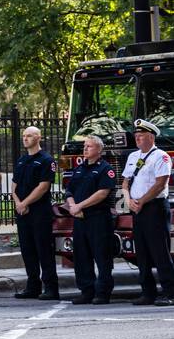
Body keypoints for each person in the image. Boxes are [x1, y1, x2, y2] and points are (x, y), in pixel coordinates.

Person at [123, 119, 174, 307]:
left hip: (154, 208)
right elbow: (125, 182)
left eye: (141, 136)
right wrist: (128, 201)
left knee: (160, 251)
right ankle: (148, 292)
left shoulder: (161, 156)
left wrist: (142, 201)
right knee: (141, 252)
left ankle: (169, 292)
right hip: (137, 208)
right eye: (136, 136)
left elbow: (161, 183)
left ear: (151, 137)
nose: (137, 139)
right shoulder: (133, 156)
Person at [64, 134, 117, 305]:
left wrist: (80, 206)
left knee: (102, 256)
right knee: (81, 256)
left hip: (98, 218)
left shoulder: (105, 169)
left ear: (99, 150)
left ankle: (102, 293)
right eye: (85, 146)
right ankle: (87, 291)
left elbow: (102, 193)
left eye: (90, 146)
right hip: (80, 219)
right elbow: (69, 191)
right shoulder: (79, 169)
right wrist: (73, 206)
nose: (85, 149)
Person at [11, 125, 59, 301]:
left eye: (29, 136)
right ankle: (33, 286)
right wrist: (18, 202)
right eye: (24, 136)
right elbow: (14, 185)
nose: (25, 138)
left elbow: (43, 186)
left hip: (39, 211)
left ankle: (51, 288)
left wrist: (25, 202)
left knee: (43, 249)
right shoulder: (22, 160)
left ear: (38, 138)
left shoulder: (46, 160)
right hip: (23, 212)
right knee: (27, 250)